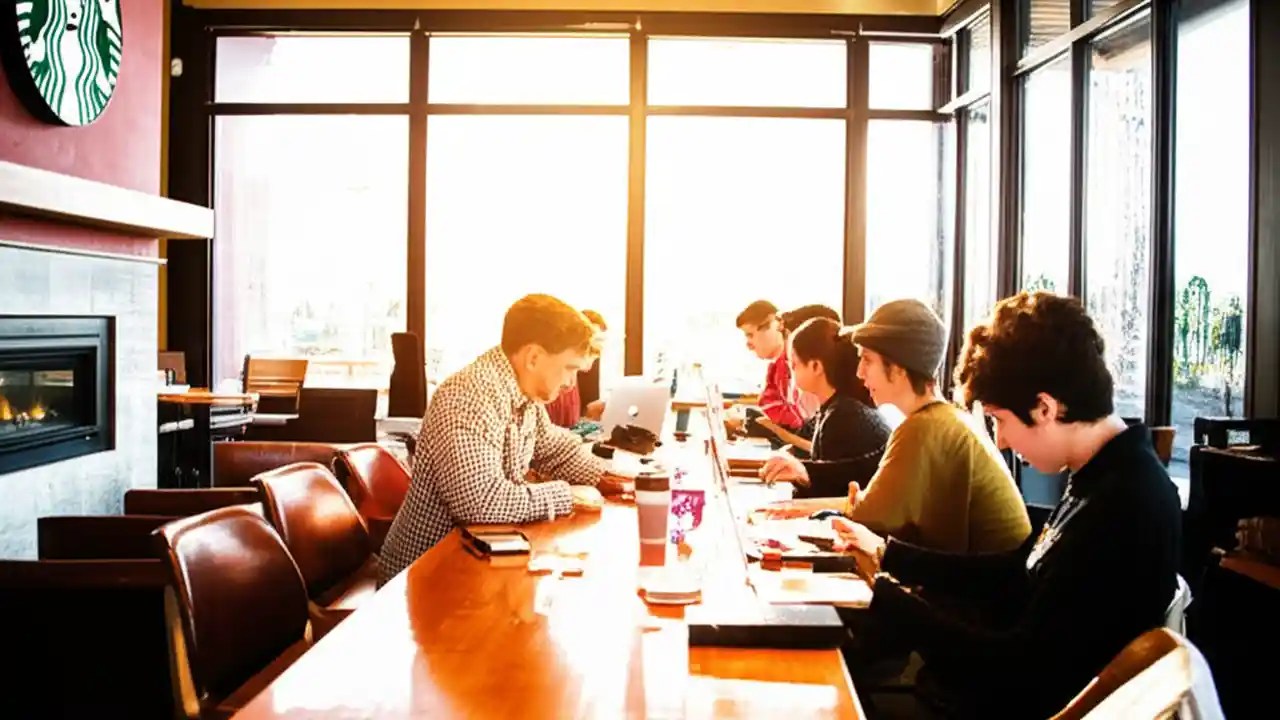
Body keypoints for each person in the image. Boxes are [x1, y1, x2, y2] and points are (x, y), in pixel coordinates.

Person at [833, 292, 1183, 718]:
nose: (999, 440)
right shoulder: (1105, 475)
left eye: (1000, 419)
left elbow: (1014, 669)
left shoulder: (1124, 507)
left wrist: (886, 595)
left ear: (1045, 407)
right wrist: (891, 556)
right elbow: (1018, 570)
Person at [379, 295, 629, 584]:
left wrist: (615, 480)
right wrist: (566, 495)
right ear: (534, 357)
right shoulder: (470, 395)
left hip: (477, 564)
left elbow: (556, 450)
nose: (571, 383)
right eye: (569, 368)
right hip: (426, 577)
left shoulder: (523, 396)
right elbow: (481, 503)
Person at [765, 298, 1030, 555]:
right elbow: (866, 507)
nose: (859, 372)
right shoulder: (941, 418)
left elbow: (865, 514)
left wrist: (787, 507)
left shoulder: (926, 427)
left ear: (900, 367)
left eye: (867, 360)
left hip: (975, 597)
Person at [759, 317, 890, 498]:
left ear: (815, 366)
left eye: (794, 364)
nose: (790, 371)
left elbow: (829, 494)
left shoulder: (844, 416)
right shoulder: (837, 407)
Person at [545, 309, 607, 428]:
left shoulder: (584, 374)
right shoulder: (553, 379)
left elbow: (573, 424)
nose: (597, 351)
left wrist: (589, 417)